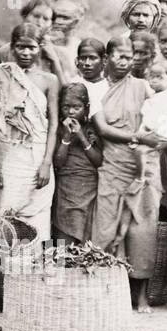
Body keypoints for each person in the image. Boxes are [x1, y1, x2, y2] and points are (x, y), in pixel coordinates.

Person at [92, 34, 167, 311]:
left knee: (142, 231)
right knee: (105, 229)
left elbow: (164, 115)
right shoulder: (97, 90)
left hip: (144, 167)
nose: (126, 61)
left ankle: (140, 295)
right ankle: (104, 290)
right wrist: (140, 137)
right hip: (112, 167)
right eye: (120, 56)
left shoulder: (142, 86)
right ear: (106, 59)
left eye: (130, 56)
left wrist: (157, 140)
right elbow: (103, 129)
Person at [0, 24, 58, 245]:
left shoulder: (49, 80)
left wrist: (46, 163)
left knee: (37, 220)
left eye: (31, 47)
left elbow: (53, 124)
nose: (26, 53)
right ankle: (1, 277)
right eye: (21, 47)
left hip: (37, 158)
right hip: (8, 157)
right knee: (4, 218)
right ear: (12, 47)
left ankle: (31, 277)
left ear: (40, 48)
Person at [52, 83, 103, 245]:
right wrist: (66, 137)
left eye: (77, 107)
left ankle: (81, 267)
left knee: (84, 233)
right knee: (62, 232)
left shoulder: (92, 129)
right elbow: (58, 163)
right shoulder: (58, 130)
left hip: (88, 187)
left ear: (86, 108)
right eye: (66, 107)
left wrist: (81, 135)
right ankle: (58, 267)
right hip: (65, 187)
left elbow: (98, 161)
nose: (71, 112)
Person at [135, 60, 167, 188]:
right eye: (152, 76)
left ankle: (140, 179)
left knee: (140, 151)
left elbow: (161, 119)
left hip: (160, 134)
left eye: (159, 77)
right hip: (153, 131)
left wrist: (148, 130)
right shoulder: (155, 96)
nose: (154, 80)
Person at [74, 37, 108, 115]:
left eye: (92, 58)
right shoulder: (73, 84)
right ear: (77, 60)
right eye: (83, 58)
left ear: (104, 59)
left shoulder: (110, 86)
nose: (87, 63)